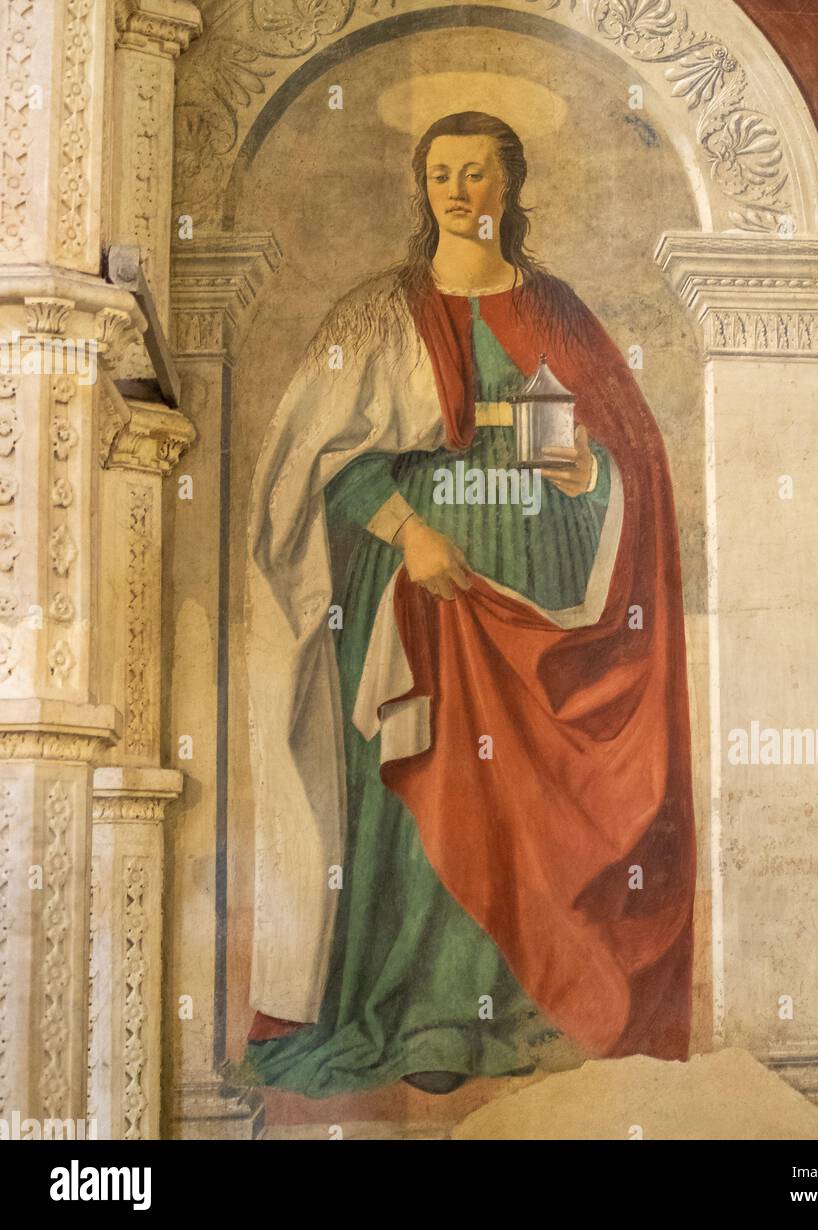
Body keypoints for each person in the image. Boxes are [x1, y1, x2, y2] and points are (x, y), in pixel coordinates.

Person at [244, 110, 695, 1099]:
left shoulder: (562, 312)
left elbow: (626, 459)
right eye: (440, 172)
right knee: (424, 787)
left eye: (477, 172)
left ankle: (519, 1004)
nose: (457, 188)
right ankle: (420, 1012)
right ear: (423, 187)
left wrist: (584, 473)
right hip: (417, 583)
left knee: (526, 795)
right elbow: (312, 466)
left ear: (510, 186)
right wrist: (407, 527)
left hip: (533, 574)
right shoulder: (376, 313)